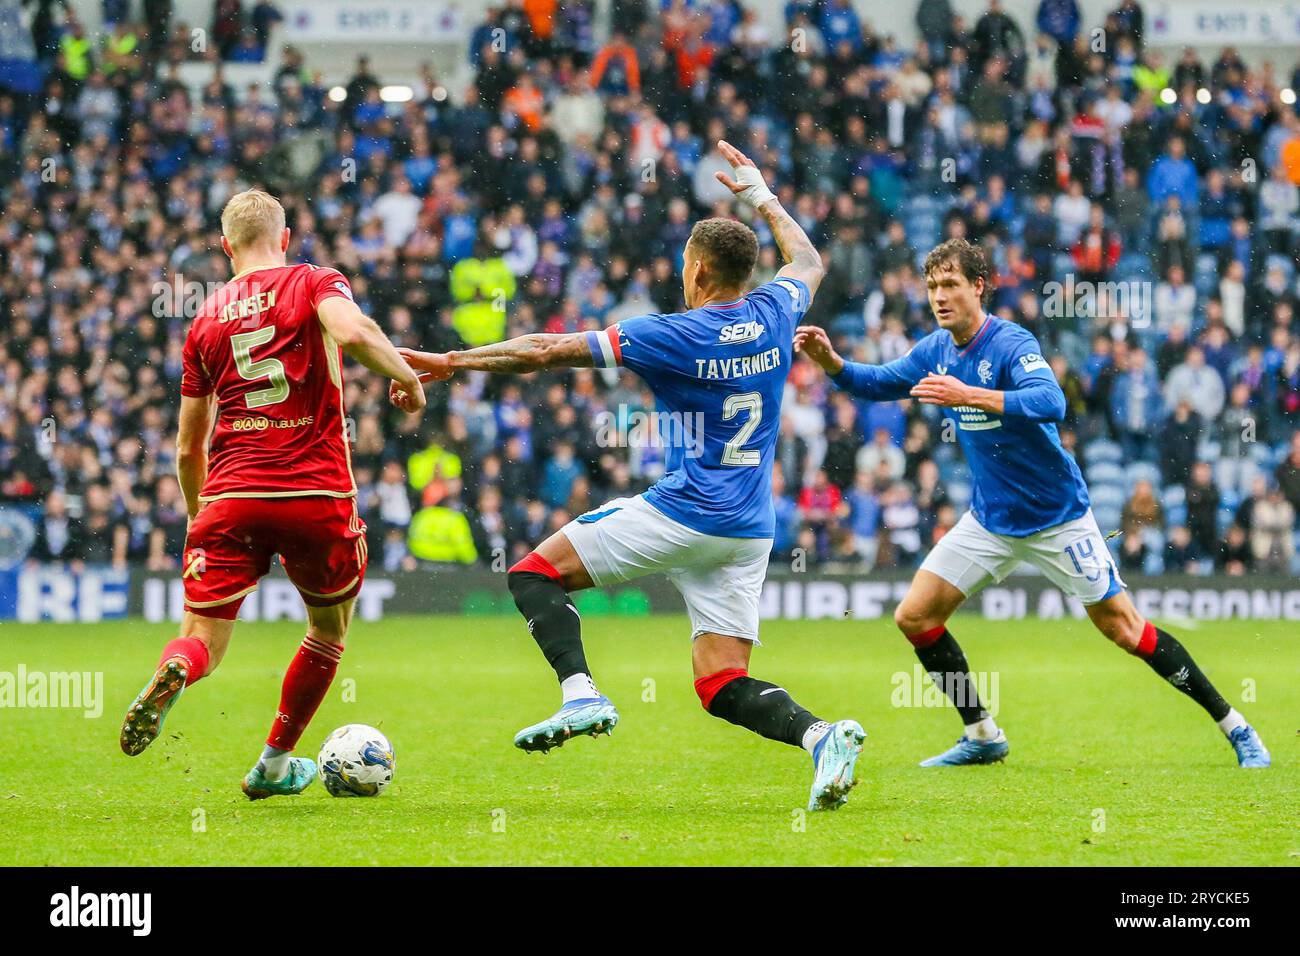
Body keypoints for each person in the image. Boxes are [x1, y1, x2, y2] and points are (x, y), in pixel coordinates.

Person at [393, 142, 867, 811]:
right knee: (721, 683)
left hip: (687, 514)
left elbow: (544, 351)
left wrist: (453, 361)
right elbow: (809, 259)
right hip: (750, 528)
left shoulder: (670, 333)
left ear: (698, 270)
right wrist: (761, 195)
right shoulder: (777, 309)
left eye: (683, 265)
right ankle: (823, 737)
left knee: (533, 573)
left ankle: (580, 694)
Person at [795, 238, 1269, 769]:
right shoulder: (935, 349)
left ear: (978, 286)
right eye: (931, 287)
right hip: (992, 519)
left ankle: (1237, 726)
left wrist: (969, 394)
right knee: (915, 616)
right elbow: (879, 382)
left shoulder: (1010, 343)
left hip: (1056, 517)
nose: (939, 296)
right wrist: (833, 362)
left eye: (950, 284)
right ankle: (982, 734)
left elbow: (1052, 402)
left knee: (1125, 630)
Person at [118, 190, 430, 799]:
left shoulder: (206, 317)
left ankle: (176, 667)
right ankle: (274, 762)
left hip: (232, 494)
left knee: (202, 637)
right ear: (284, 240)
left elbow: (188, 448)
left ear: (226, 247)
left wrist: (196, 514)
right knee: (326, 633)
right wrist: (408, 380)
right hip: (316, 491)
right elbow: (354, 329)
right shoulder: (313, 282)